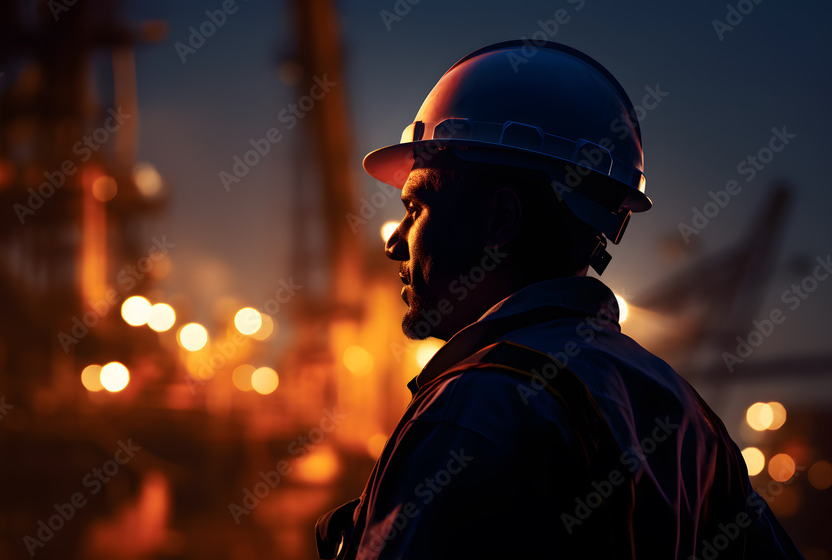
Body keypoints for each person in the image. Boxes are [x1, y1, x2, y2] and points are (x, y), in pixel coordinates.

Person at [316, 41, 803, 559]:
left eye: (415, 206)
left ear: (499, 219)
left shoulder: (474, 410)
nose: (394, 245)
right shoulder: (685, 415)